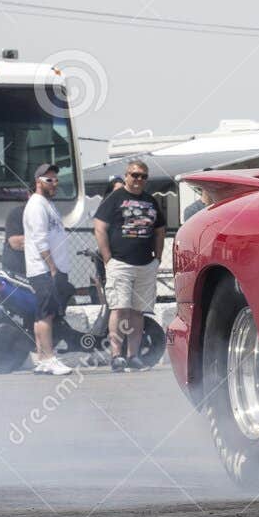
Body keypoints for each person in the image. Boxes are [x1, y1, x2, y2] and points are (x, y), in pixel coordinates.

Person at [93, 159, 164, 371]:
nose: (138, 179)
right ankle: (116, 355)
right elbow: (99, 227)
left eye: (143, 176)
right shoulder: (115, 198)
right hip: (120, 263)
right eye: (135, 175)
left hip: (146, 264)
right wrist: (108, 258)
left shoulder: (151, 201)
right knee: (119, 309)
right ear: (126, 176)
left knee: (138, 312)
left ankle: (133, 355)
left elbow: (160, 230)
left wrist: (158, 258)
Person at [23, 163, 73, 376]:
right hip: (43, 269)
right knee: (47, 315)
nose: (54, 183)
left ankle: (43, 359)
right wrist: (52, 267)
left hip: (50, 268)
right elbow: (40, 239)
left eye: (56, 180)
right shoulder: (36, 205)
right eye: (49, 180)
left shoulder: (48, 204)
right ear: (38, 182)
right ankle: (50, 358)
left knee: (43, 315)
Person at [2, 193, 27, 278]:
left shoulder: (50, 215)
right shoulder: (18, 213)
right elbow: (15, 243)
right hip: (16, 273)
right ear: (29, 194)